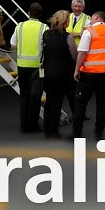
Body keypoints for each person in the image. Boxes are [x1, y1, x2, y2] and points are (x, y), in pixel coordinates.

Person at [73, 11, 105, 140]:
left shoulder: (89, 32)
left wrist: (76, 70)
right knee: (102, 104)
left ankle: (77, 132)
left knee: (81, 102)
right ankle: (99, 131)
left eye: (91, 17)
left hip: (89, 73)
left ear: (97, 17)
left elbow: (82, 53)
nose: (90, 20)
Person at [40, 10, 78, 139]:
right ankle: (54, 130)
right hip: (62, 73)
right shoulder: (68, 37)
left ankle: (47, 127)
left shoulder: (46, 34)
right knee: (58, 102)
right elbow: (74, 55)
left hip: (48, 71)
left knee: (50, 100)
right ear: (65, 22)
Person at [10, 2, 47, 133]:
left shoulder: (20, 26)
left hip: (22, 66)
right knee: (35, 97)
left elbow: (13, 45)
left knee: (24, 96)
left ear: (28, 12)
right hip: (37, 68)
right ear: (40, 15)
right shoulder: (44, 28)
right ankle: (33, 125)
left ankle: (24, 125)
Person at [65, 0, 90, 118]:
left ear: (83, 8)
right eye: (75, 6)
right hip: (68, 55)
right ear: (71, 6)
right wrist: (77, 34)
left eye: (79, 7)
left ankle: (80, 113)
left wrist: (74, 34)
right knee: (71, 86)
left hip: (81, 55)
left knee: (81, 87)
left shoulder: (87, 19)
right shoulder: (67, 17)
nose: (77, 8)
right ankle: (76, 112)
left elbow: (88, 34)